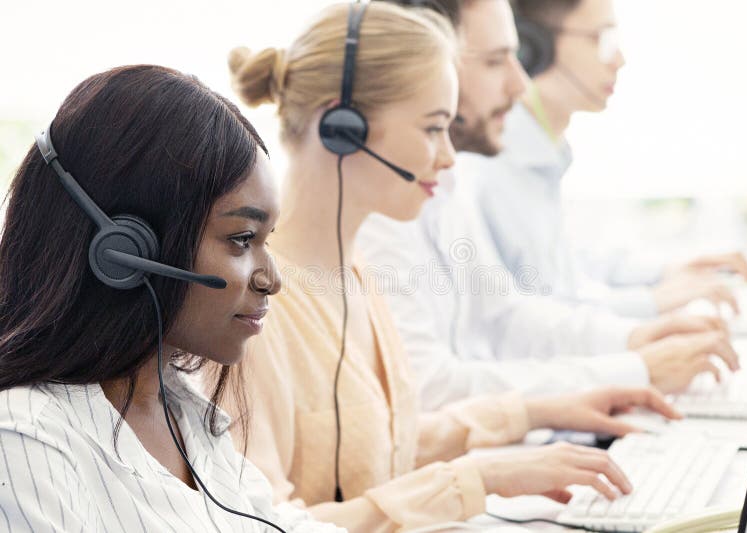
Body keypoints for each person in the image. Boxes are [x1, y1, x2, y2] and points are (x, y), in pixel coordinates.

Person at [219, 3, 679, 532]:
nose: (449, 157)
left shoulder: (356, 273)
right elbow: (270, 524)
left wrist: (529, 424)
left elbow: (384, 444)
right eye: (433, 129)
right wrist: (472, 483)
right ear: (342, 128)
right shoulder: (252, 312)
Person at [0, 65, 341, 532]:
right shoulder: (25, 438)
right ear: (123, 251)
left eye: (267, 239)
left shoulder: (183, 410)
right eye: (242, 239)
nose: (271, 279)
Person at [356, 0, 740, 411]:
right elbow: (431, 388)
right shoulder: (384, 204)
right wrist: (633, 367)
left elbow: (505, 315)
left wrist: (631, 342)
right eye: (494, 61)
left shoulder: (449, 182)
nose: (521, 84)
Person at [468, 0, 747, 320]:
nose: (619, 60)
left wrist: (666, 272)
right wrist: (655, 300)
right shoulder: (492, 162)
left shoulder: (541, 155)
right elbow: (542, 306)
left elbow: (566, 266)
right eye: (601, 39)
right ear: (533, 47)